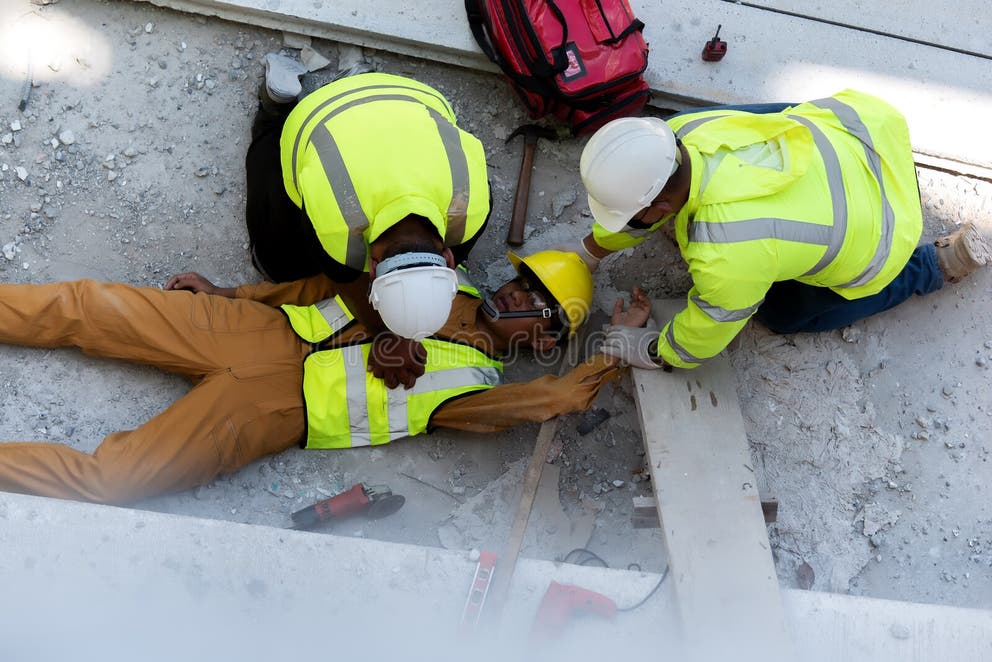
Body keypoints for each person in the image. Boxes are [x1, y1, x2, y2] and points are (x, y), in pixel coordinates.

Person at [0, 251, 649, 505]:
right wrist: (237, 292)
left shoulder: (473, 383)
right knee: (87, 306)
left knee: (114, 480)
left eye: (534, 301)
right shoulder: (443, 279)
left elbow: (551, 398)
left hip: (268, 411)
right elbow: (323, 286)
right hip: (256, 330)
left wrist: (618, 346)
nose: (514, 293)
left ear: (542, 338)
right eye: (520, 279)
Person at [570, 89, 991, 370]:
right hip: (869, 140)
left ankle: (930, 266)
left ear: (661, 206)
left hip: (885, 231)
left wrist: (646, 349)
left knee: (780, 313)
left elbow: (704, 334)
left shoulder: (725, 255)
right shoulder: (682, 131)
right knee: (766, 120)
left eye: (630, 214)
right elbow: (647, 208)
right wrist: (588, 253)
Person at [246, 54, 492, 387]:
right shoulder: (337, 229)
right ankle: (275, 110)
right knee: (280, 263)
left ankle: (357, 78)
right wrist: (386, 337)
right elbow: (346, 282)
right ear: (373, 268)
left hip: (408, 95)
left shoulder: (472, 207)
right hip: (317, 113)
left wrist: (401, 331)